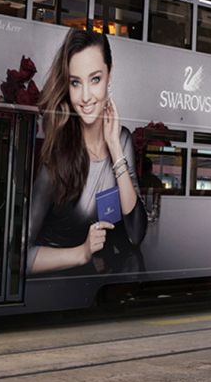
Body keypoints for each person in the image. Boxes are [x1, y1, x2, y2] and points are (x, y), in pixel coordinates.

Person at [25, 29, 147, 275]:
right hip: (54, 292)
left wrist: (114, 147)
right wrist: (81, 252)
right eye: (75, 83)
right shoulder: (57, 154)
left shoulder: (121, 139)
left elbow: (135, 234)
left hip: (95, 292)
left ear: (109, 77)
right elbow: (17, 257)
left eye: (95, 79)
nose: (86, 97)